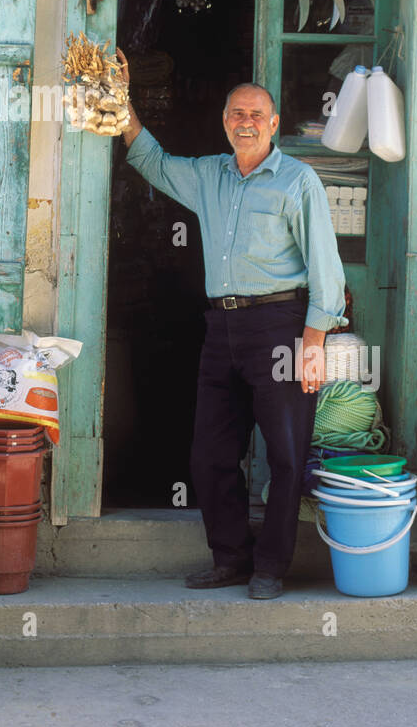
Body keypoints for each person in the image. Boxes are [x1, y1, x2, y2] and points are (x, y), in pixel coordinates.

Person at [114, 53, 346, 599]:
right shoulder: (208, 176)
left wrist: (314, 340)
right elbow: (151, 160)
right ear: (225, 122)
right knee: (211, 453)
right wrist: (118, 101)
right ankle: (231, 558)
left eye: (256, 114)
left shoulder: (298, 181)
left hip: (282, 326)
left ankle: (271, 567)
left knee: (286, 454)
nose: (245, 121)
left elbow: (326, 267)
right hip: (221, 329)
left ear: (272, 124)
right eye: (236, 113)